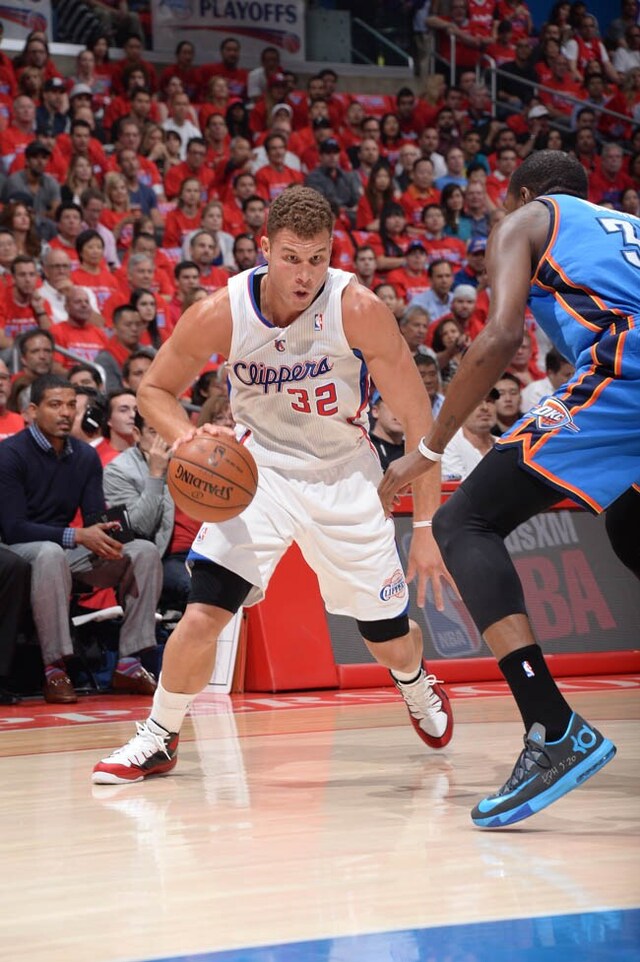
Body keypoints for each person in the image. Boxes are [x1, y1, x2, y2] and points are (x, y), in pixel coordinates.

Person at [92, 185, 455, 784]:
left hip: (344, 476)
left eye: (318, 258)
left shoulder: (358, 308)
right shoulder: (223, 311)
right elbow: (153, 390)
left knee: (387, 638)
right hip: (256, 474)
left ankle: (415, 682)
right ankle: (159, 736)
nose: (305, 274)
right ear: (264, 248)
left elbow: (423, 426)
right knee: (204, 612)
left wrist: (424, 527)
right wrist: (187, 436)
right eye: (291, 257)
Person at [379, 151, 639, 827]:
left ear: (522, 193)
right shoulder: (627, 226)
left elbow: (499, 338)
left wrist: (428, 450)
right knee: (629, 524)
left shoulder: (527, 219)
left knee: (465, 521)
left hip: (629, 373)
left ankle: (553, 729)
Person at [0, 374, 163, 704]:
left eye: (71, 405)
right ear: (32, 411)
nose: (65, 412)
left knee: (143, 551)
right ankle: (55, 668)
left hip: (65, 551)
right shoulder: (10, 453)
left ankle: (129, 664)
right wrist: (76, 535)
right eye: (55, 405)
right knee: (49, 553)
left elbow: (93, 518)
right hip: (18, 551)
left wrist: (110, 533)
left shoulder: (85, 457)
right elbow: (14, 528)